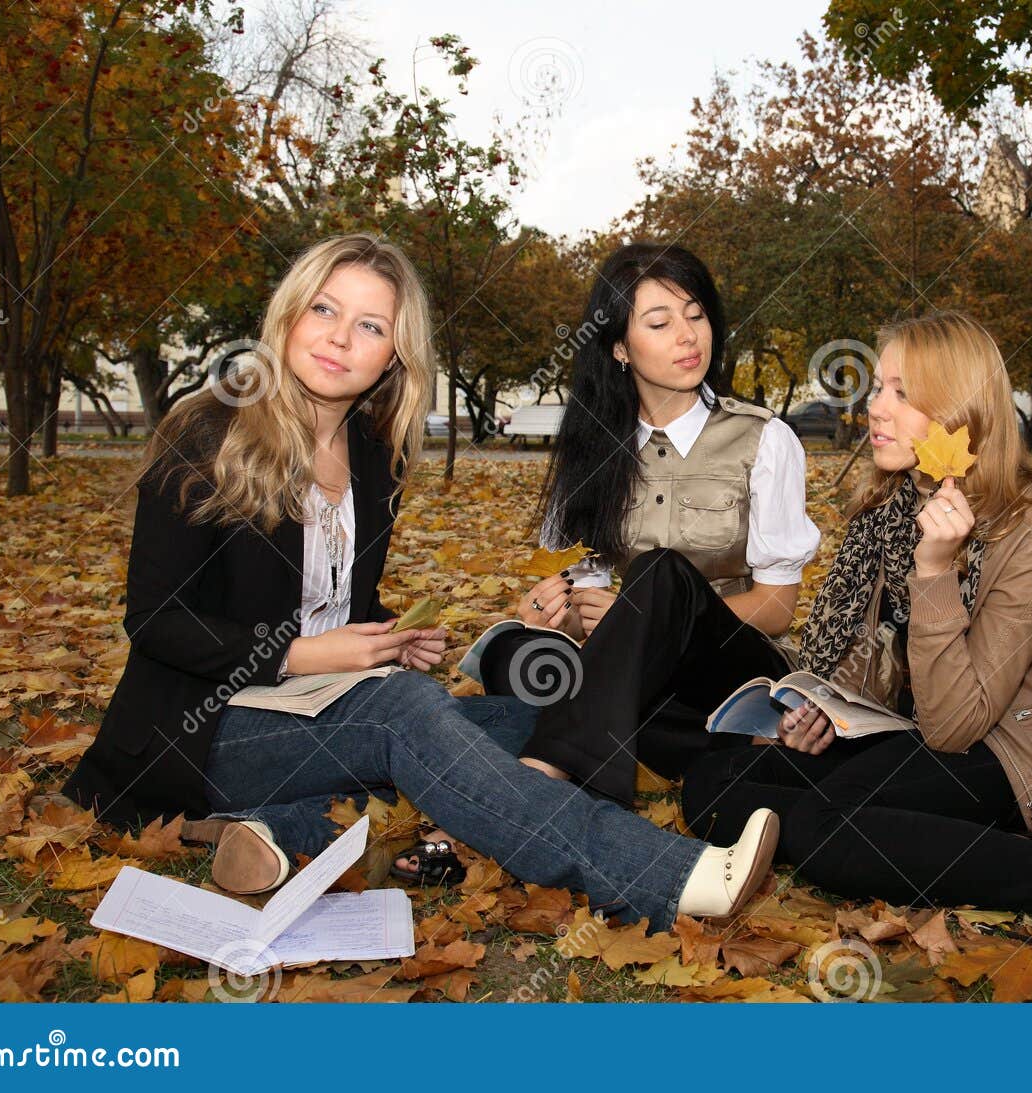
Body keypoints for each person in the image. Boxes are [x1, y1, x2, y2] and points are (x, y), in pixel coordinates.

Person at [62, 234, 778, 931]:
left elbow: (332, 601)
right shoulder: (207, 431)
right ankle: (671, 875)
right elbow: (156, 621)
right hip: (206, 730)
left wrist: (383, 639)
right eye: (324, 310)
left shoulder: (372, 455)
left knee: (540, 724)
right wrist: (309, 655)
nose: (340, 337)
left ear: (393, 355)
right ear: (287, 314)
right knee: (406, 716)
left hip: (320, 711)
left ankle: (280, 827)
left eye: (369, 325)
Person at [680, 311, 1032, 969]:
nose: (876, 407)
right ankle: (936, 839)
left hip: (999, 744)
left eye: (902, 392)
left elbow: (957, 724)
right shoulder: (889, 503)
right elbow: (862, 667)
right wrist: (822, 710)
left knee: (824, 826)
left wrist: (934, 571)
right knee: (712, 780)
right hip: (896, 733)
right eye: (877, 388)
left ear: (958, 411)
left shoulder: (1031, 532)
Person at [485, 243, 819, 804]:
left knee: (659, 575)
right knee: (509, 660)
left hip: (737, 669)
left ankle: (537, 785)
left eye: (696, 314)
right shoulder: (590, 453)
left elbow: (777, 608)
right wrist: (555, 620)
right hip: (648, 690)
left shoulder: (763, 439)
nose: (688, 336)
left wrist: (645, 619)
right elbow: (583, 603)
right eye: (660, 323)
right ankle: (713, 751)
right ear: (620, 347)